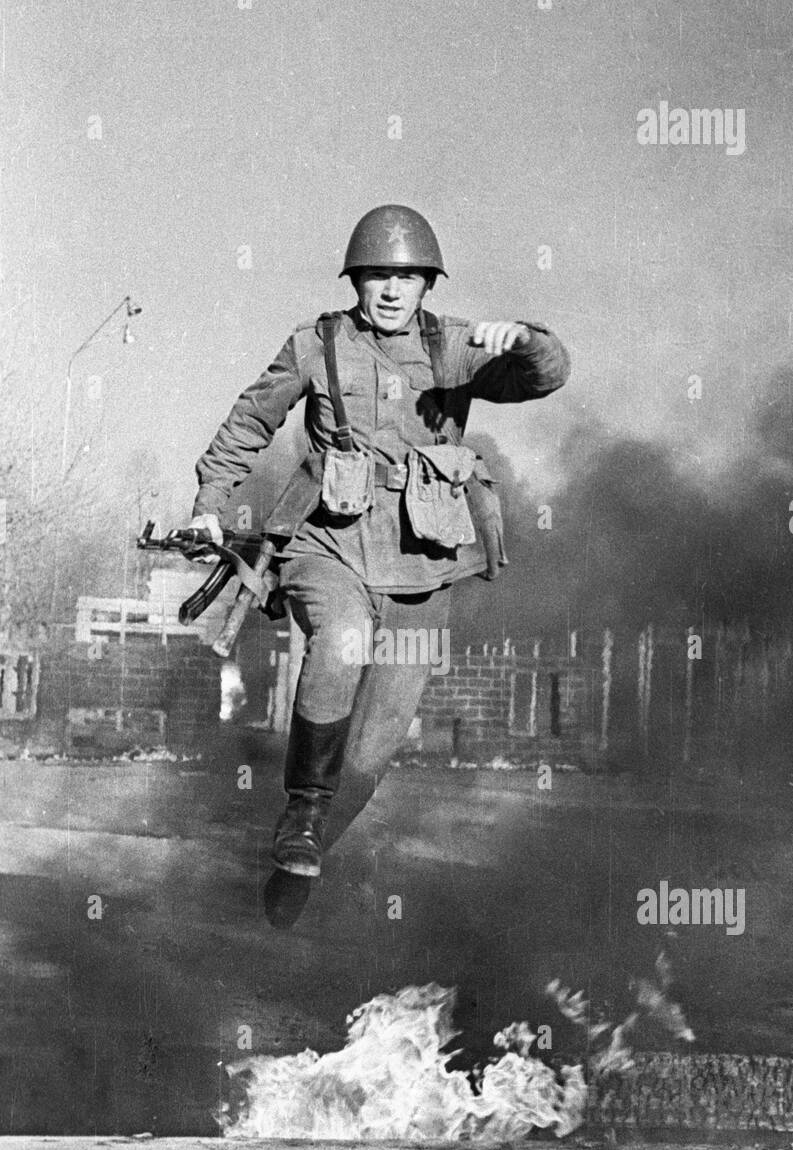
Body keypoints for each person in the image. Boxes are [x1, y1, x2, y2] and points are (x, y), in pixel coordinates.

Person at [190, 204, 570, 878]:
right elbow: (252, 418)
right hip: (326, 543)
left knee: (373, 747)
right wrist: (209, 505)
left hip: (421, 564)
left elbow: (543, 376)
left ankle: (302, 857)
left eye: (407, 277)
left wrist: (526, 341)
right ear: (354, 281)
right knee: (339, 642)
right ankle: (302, 809)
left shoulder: (452, 346)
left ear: (429, 284)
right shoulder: (317, 344)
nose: (391, 291)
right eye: (375, 276)